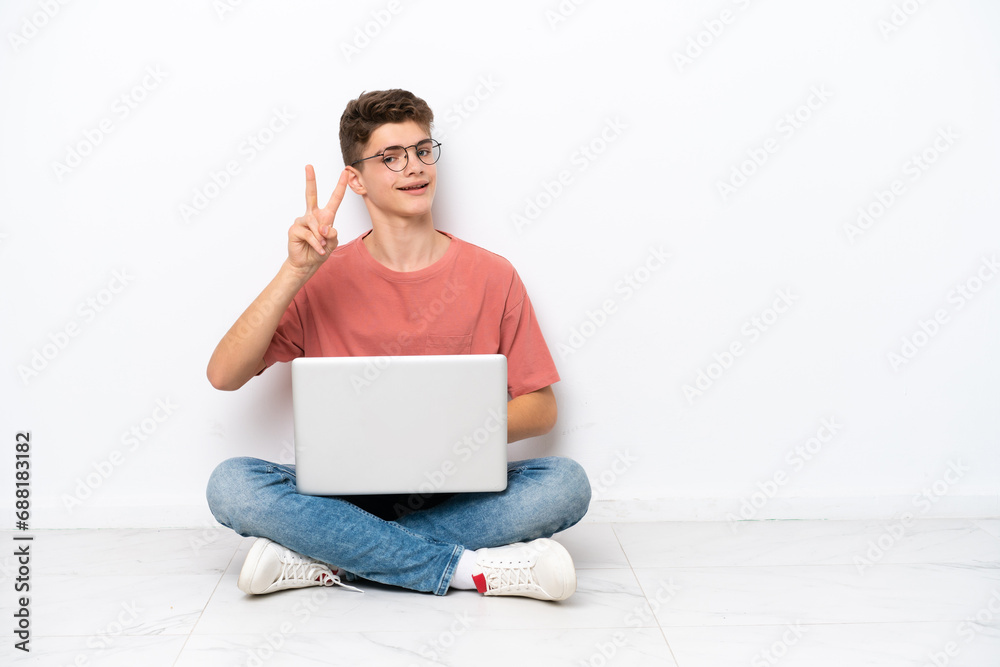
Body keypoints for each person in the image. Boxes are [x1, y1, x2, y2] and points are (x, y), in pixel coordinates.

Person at [205, 89, 591, 601]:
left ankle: (323, 556)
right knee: (231, 484)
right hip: (341, 496)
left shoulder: (493, 275)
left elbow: (541, 408)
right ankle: (466, 570)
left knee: (565, 483)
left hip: (454, 493)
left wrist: (451, 430)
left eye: (423, 150)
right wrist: (294, 272)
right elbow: (223, 374)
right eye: (392, 157)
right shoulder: (319, 280)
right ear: (357, 180)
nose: (414, 167)